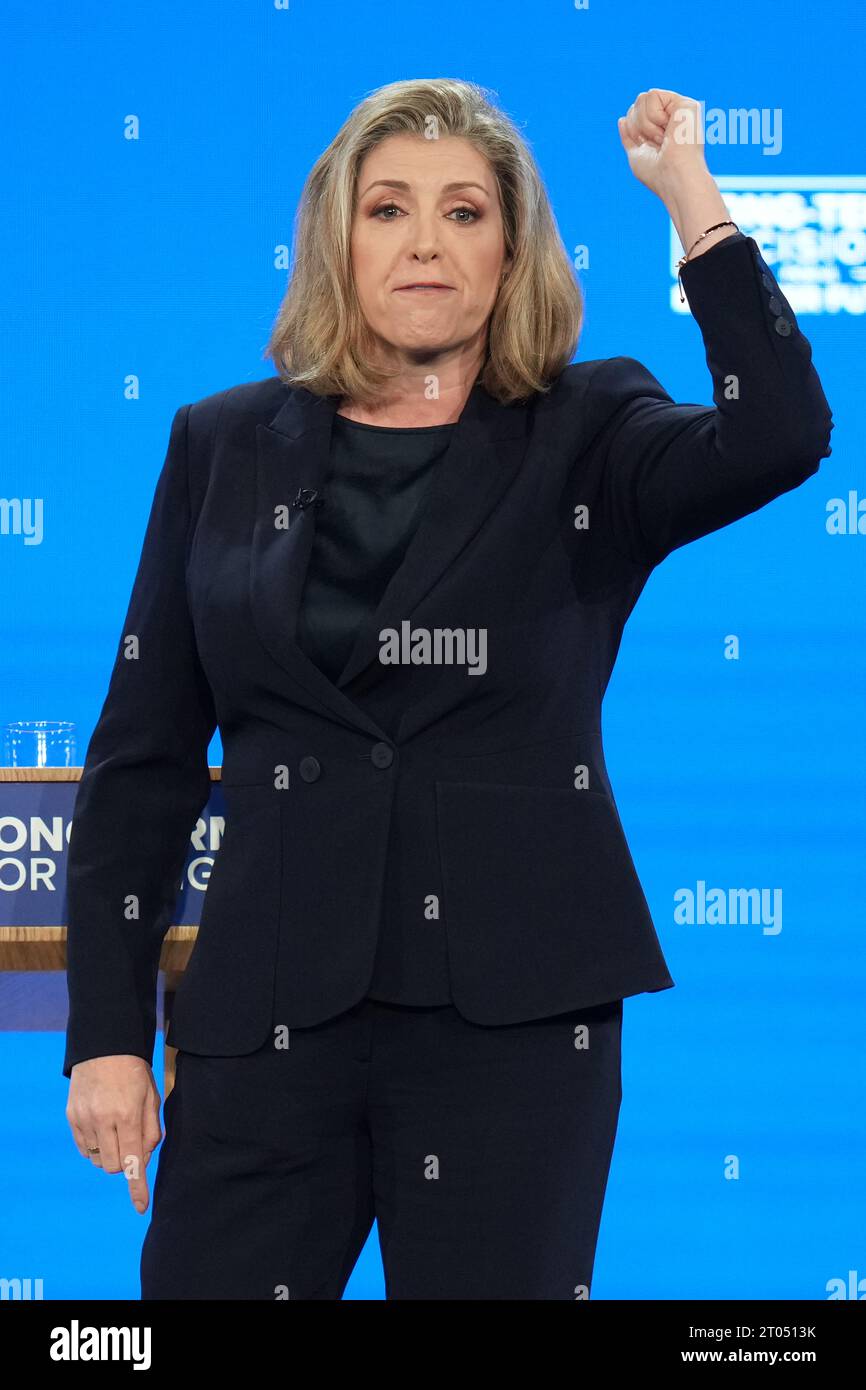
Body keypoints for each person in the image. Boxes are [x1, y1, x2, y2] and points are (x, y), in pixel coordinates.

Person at [63, 79, 833, 1300]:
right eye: (388, 209)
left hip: (515, 1030)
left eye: (464, 211)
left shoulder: (589, 428)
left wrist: (691, 197)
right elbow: (144, 761)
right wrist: (106, 1034)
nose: (424, 240)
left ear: (511, 253)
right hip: (265, 1025)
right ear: (337, 238)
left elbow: (778, 432)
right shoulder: (221, 442)